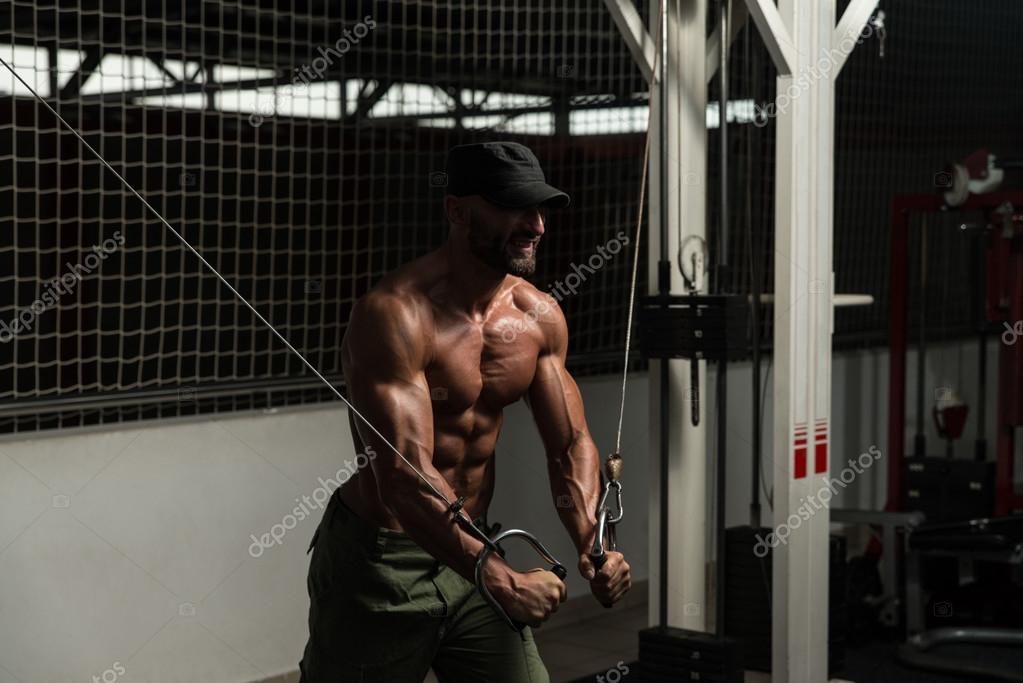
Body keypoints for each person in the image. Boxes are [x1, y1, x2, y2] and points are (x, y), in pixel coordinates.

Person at [299, 141, 632, 683]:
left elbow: (569, 446)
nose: (536, 225)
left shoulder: (538, 316)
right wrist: (499, 578)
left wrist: (593, 543)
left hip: (474, 544)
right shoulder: (396, 315)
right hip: (382, 561)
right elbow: (404, 477)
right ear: (457, 210)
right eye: (513, 207)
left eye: (541, 207)